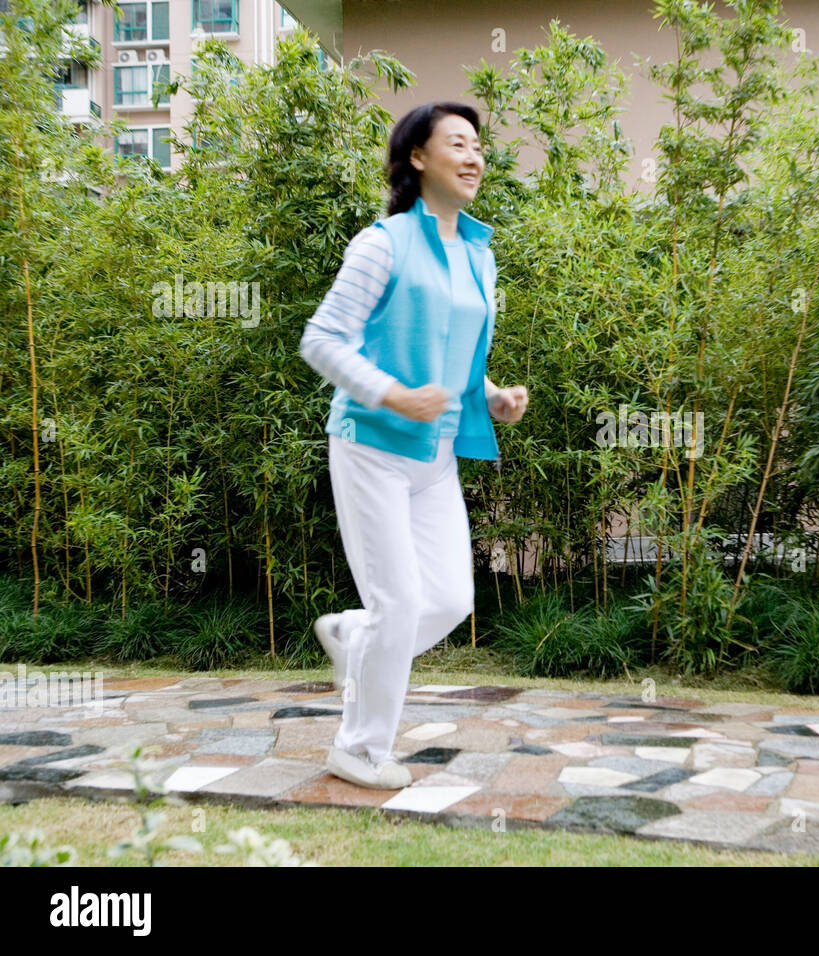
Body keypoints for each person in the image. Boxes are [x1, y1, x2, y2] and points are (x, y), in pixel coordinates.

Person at [298, 101, 528, 789]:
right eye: (456, 143)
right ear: (418, 158)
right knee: (398, 603)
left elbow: (450, 348)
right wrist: (390, 394)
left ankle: (353, 637)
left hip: (436, 454)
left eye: (479, 145)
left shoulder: (478, 254)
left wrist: (488, 395)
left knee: (452, 599)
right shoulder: (384, 243)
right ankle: (359, 749)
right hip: (370, 444)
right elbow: (322, 339)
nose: (474, 156)